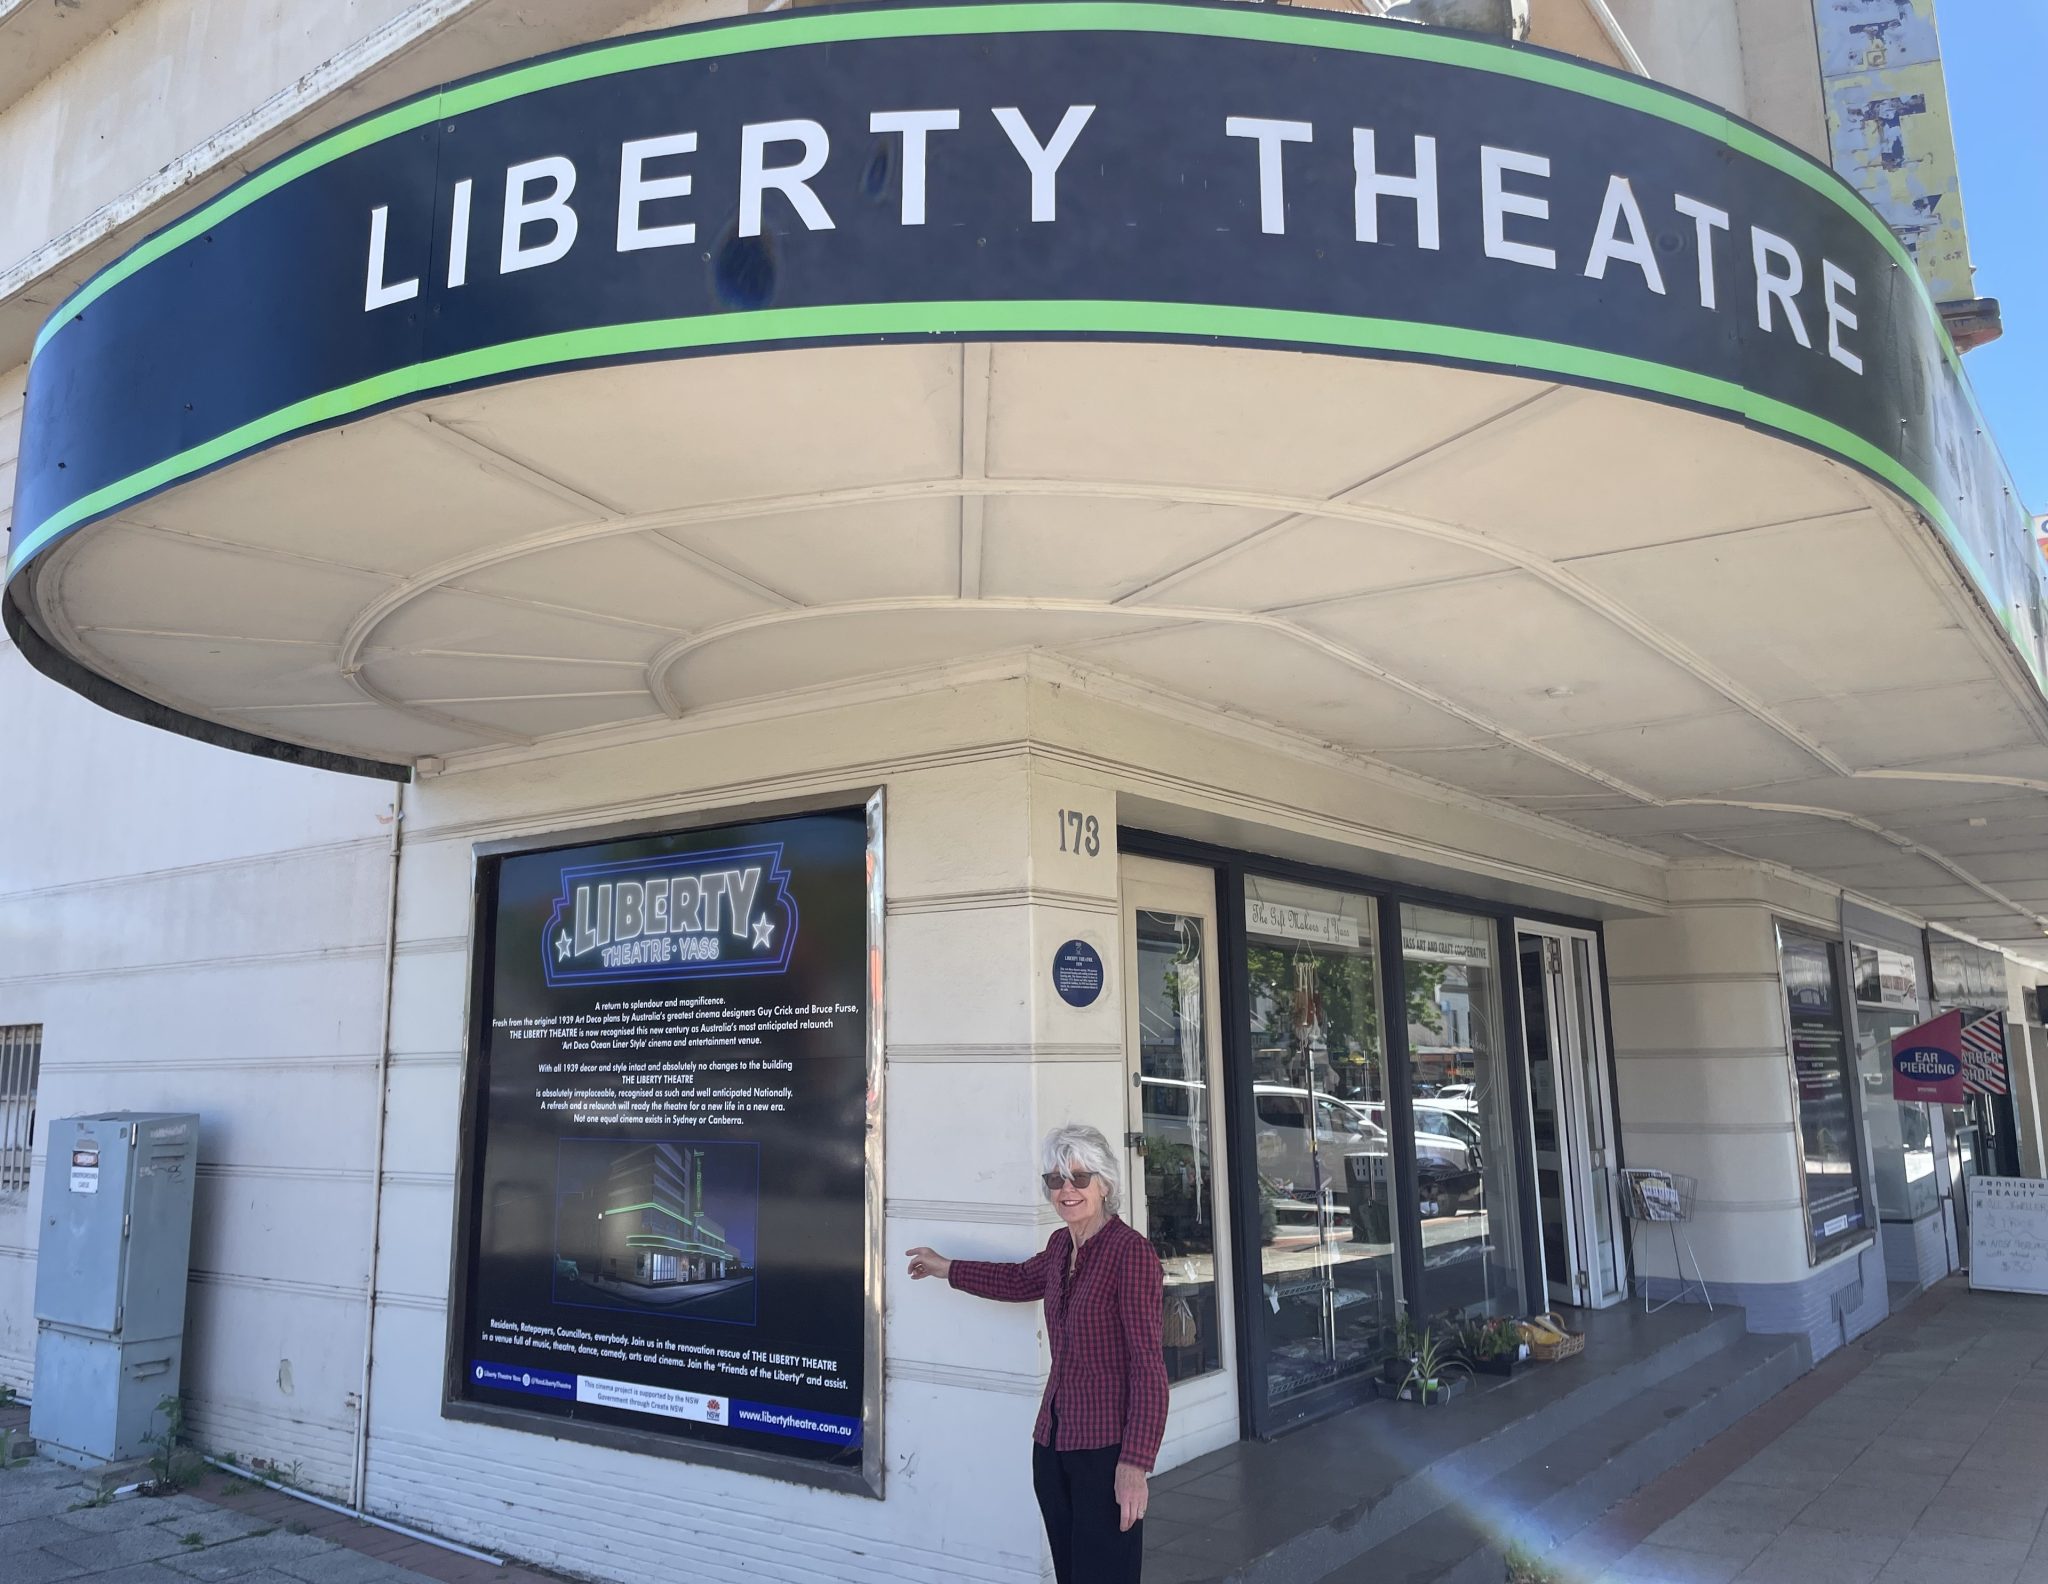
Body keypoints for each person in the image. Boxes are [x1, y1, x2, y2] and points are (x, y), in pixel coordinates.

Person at [906, 1122, 1166, 1584]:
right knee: (1071, 1573)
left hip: (1104, 1451)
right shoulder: (1061, 1245)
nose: (1067, 1190)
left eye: (1079, 1177)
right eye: (1055, 1179)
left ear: (1105, 1184)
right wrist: (946, 1268)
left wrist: (1136, 1463)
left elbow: (1148, 1367)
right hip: (1052, 1443)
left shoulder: (1131, 1254)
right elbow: (1016, 1280)